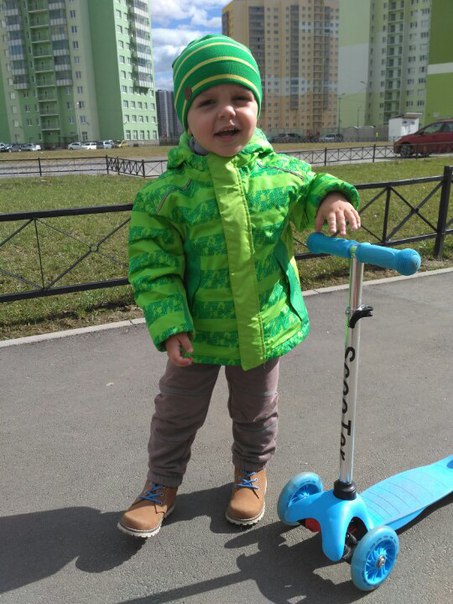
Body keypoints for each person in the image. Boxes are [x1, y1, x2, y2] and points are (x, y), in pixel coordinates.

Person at [118, 34, 360, 538]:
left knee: (256, 411)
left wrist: (331, 197)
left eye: (240, 98)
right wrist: (169, 323)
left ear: (257, 108)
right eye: (207, 102)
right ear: (185, 117)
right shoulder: (167, 194)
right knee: (176, 413)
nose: (226, 112)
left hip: (262, 328)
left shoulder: (281, 173)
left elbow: (311, 188)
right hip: (195, 335)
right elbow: (153, 266)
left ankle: (251, 472)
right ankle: (160, 483)